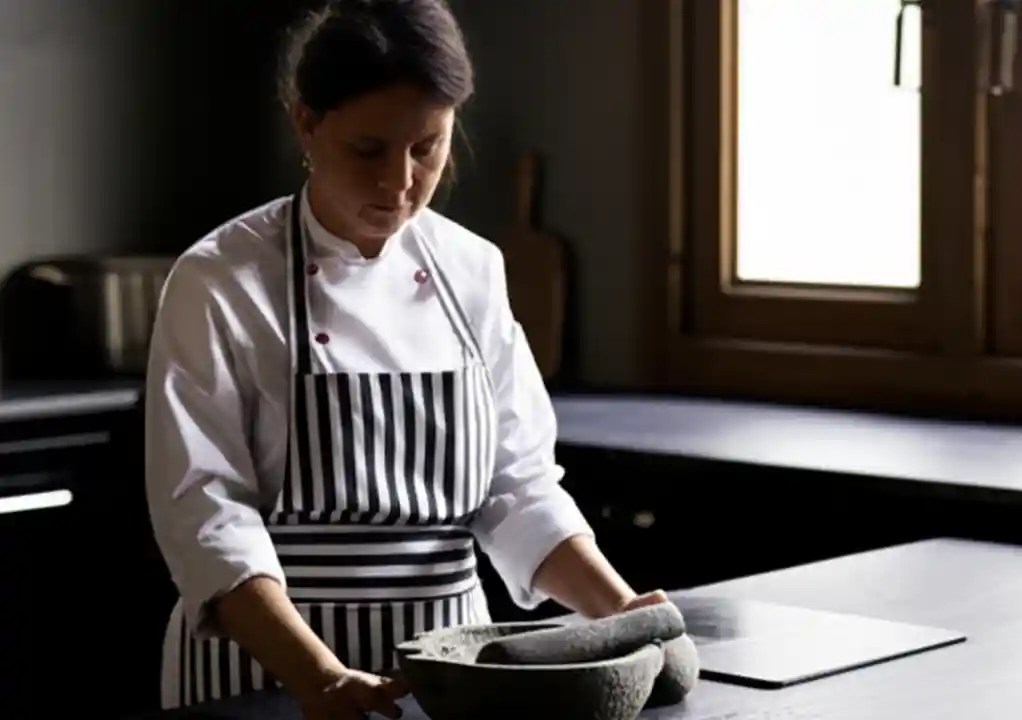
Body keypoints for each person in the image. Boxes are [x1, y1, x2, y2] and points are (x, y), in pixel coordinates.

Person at [143, 1, 667, 717]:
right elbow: (206, 516)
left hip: (454, 672)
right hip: (266, 675)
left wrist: (623, 616)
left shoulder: (471, 269)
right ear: (305, 121)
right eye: (369, 150)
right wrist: (320, 677)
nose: (399, 184)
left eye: (427, 148)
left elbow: (516, 488)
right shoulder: (219, 279)